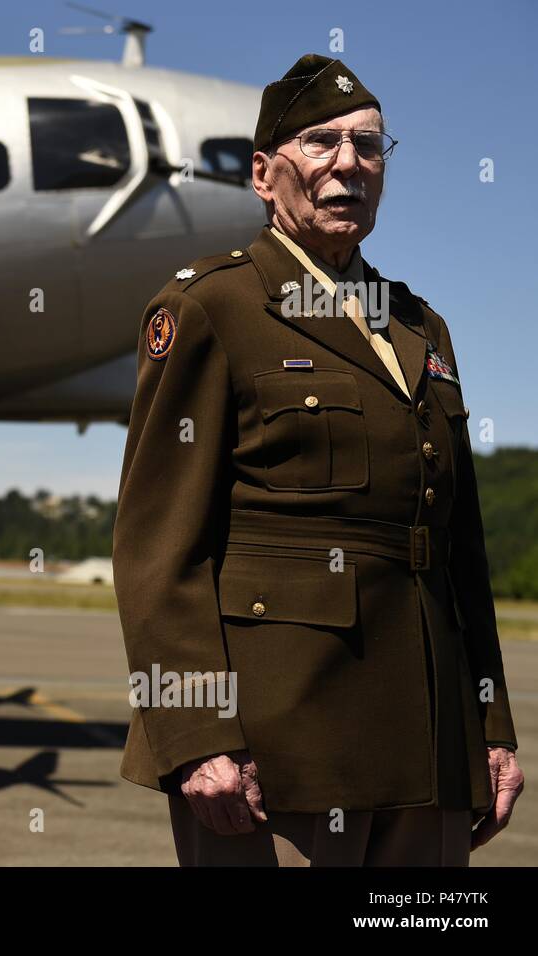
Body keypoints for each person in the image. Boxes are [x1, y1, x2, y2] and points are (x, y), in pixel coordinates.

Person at [112, 53, 523, 866]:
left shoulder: (420, 328)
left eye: (370, 147)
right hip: (280, 751)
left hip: (431, 748)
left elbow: (458, 553)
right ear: (265, 175)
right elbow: (159, 548)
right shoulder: (210, 307)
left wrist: (491, 728)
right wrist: (196, 736)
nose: (349, 164)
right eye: (322, 142)